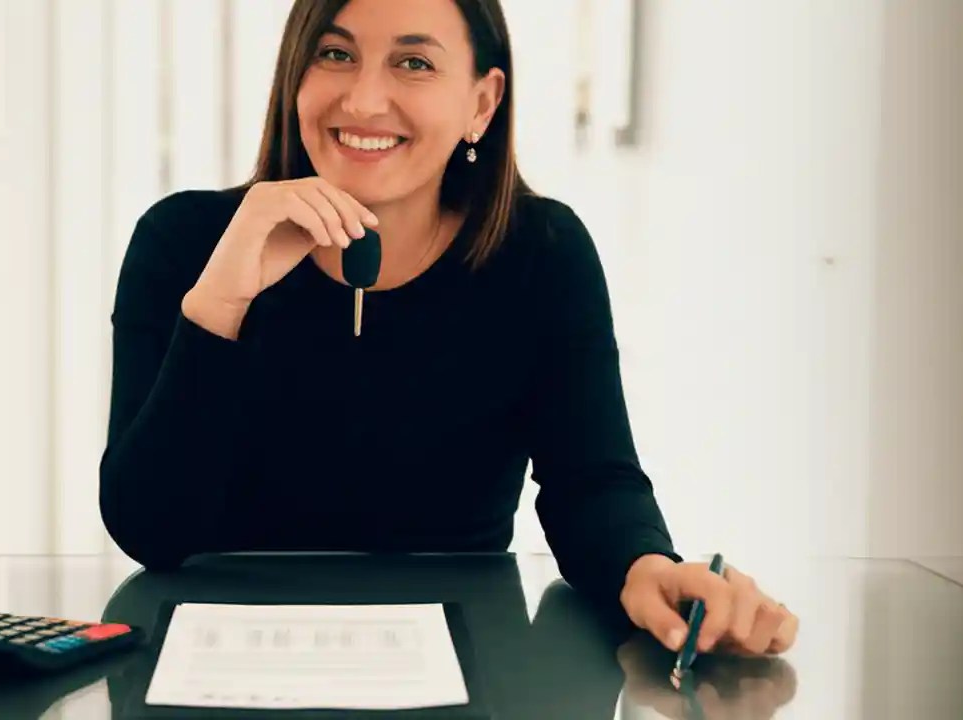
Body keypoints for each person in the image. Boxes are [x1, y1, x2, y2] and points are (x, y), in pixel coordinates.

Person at [99, 0, 798, 659]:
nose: (364, 100)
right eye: (335, 54)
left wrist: (646, 566)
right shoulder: (184, 242)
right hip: (223, 661)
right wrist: (220, 302)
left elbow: (592, 483)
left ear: (482, 103)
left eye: (414, 63)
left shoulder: (541, 252)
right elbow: (151, 531)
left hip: (454, 661)